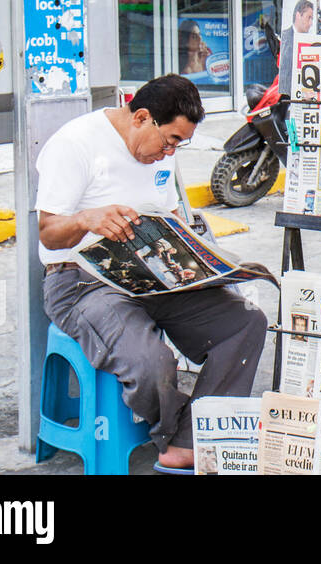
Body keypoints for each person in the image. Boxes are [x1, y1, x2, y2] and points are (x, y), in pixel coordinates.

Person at [36, 75, 267, 470]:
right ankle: (177, 431)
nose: (169, 152)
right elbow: (48, 233)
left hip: (153, 277)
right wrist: (87, 219)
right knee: (151, 363)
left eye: (179, 144)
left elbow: (167, 213)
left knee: (245, 322)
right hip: (81, 283)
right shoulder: (75, 143)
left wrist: (201, 257)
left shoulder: (160, 152)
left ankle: (189, 441)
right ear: (142, 117)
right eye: (170, 140)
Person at [279, 0, 313, 96]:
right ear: (298, 15)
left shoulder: (309, 39)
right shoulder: (286, 37)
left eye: (312, 19)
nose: (311, 23)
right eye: (308, 18)